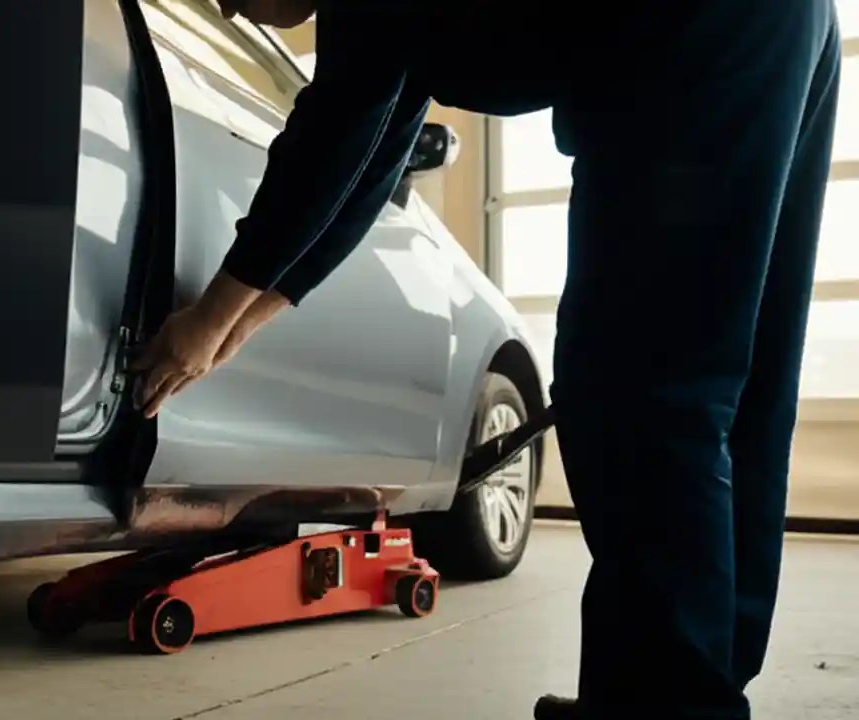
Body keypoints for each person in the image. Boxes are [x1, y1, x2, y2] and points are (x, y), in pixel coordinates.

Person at [131, 1, 842, 717]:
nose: (223, 4)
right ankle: (689, 687)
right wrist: (233, 323)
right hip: (779, 27)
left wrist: (214, 316)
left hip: (697, 38)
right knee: (736, 386)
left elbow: (337, 134)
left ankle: (668, 702)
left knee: (640, 399)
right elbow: (371, 158)